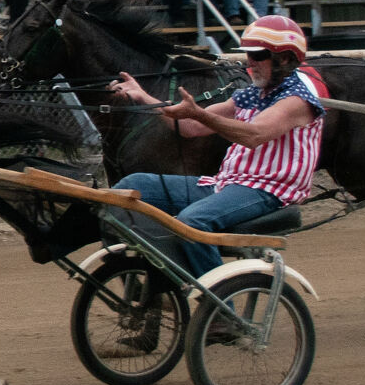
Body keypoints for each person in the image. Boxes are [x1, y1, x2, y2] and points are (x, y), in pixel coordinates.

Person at [106, 15, 324, 279]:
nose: (250, 62)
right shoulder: (253, 94)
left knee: (192, 222)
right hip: (226, 184)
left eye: (258, 55)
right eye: (248, 54)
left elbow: (253, 135)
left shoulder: (297, 100)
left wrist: (199, 113)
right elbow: (190, 126)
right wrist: (143, 97)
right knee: (130, 188)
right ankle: (170, 273)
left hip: (267, 191)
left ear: (286, 59)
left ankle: (219, 299)